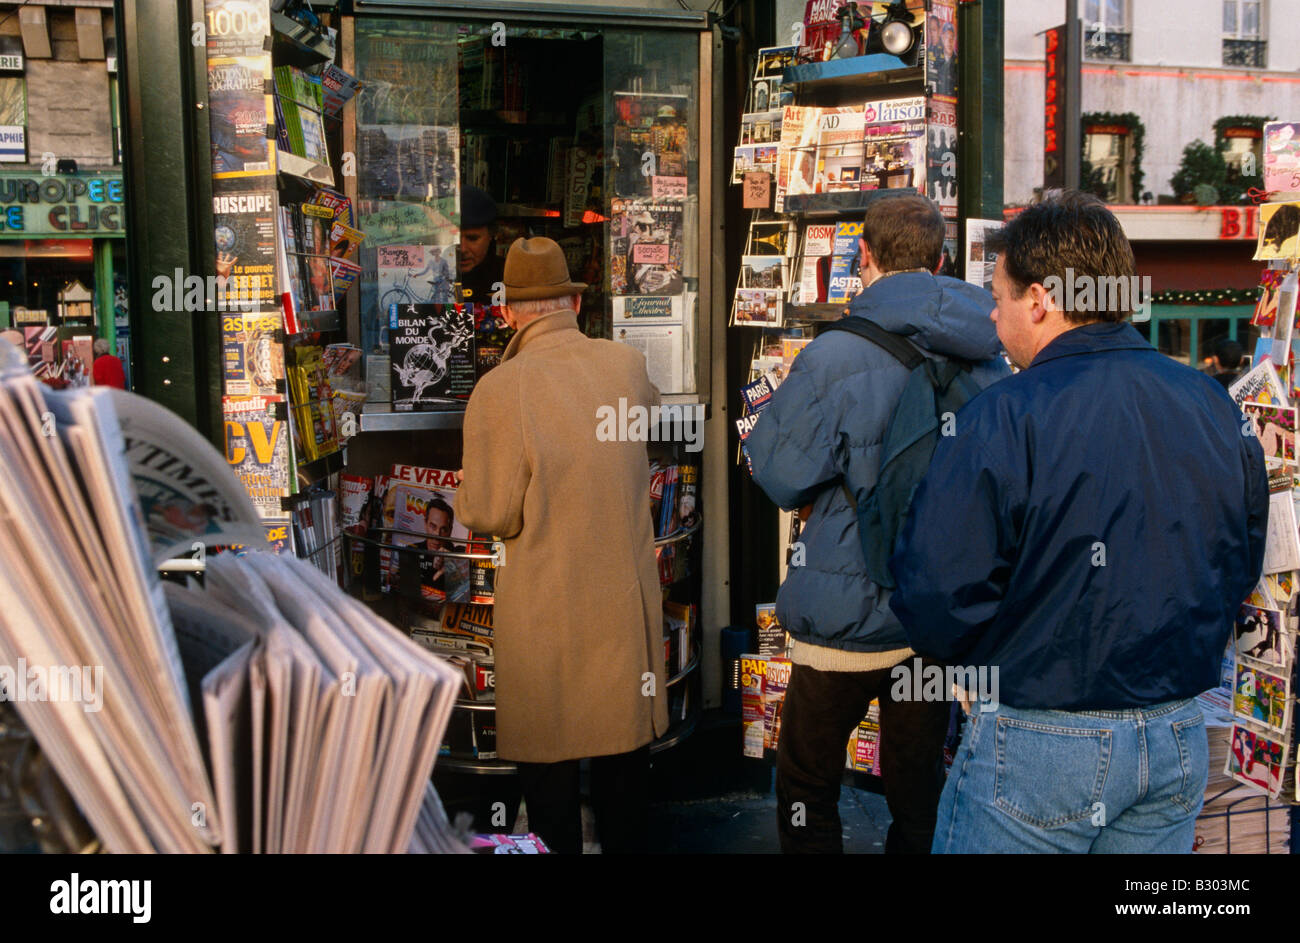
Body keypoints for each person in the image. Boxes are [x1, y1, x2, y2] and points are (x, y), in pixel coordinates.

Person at [888, 191, 1268, 854]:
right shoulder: (1210, 404)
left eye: (998, 295)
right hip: (1176, 732)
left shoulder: (1003, 414)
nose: (993, 312)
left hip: (1041, 738)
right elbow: (1240, 557)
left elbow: (937, 591)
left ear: (1039, 299)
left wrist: (988, 663)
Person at [745, 194, 1010, 854]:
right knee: (920, 786)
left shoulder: (832, 356)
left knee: (807, 778)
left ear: (863, 256)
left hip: (844, 614)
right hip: (932, 616)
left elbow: (777, 474)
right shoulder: (987, 355)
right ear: (942, 260)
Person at [455, 236, 668, 854]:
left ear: (508, 311)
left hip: (548, 616)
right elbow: (648, 424)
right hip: (621, 613)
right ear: (573, 300)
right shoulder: (624, 364)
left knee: (548, 789)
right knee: (624, 779)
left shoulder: (501, 388)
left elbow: (490, 511)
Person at [458, 185, 506, 306]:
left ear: (491, 235)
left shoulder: (509, 276)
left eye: (472, 238)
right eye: (454, 239)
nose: (462, 249)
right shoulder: (421, 279)